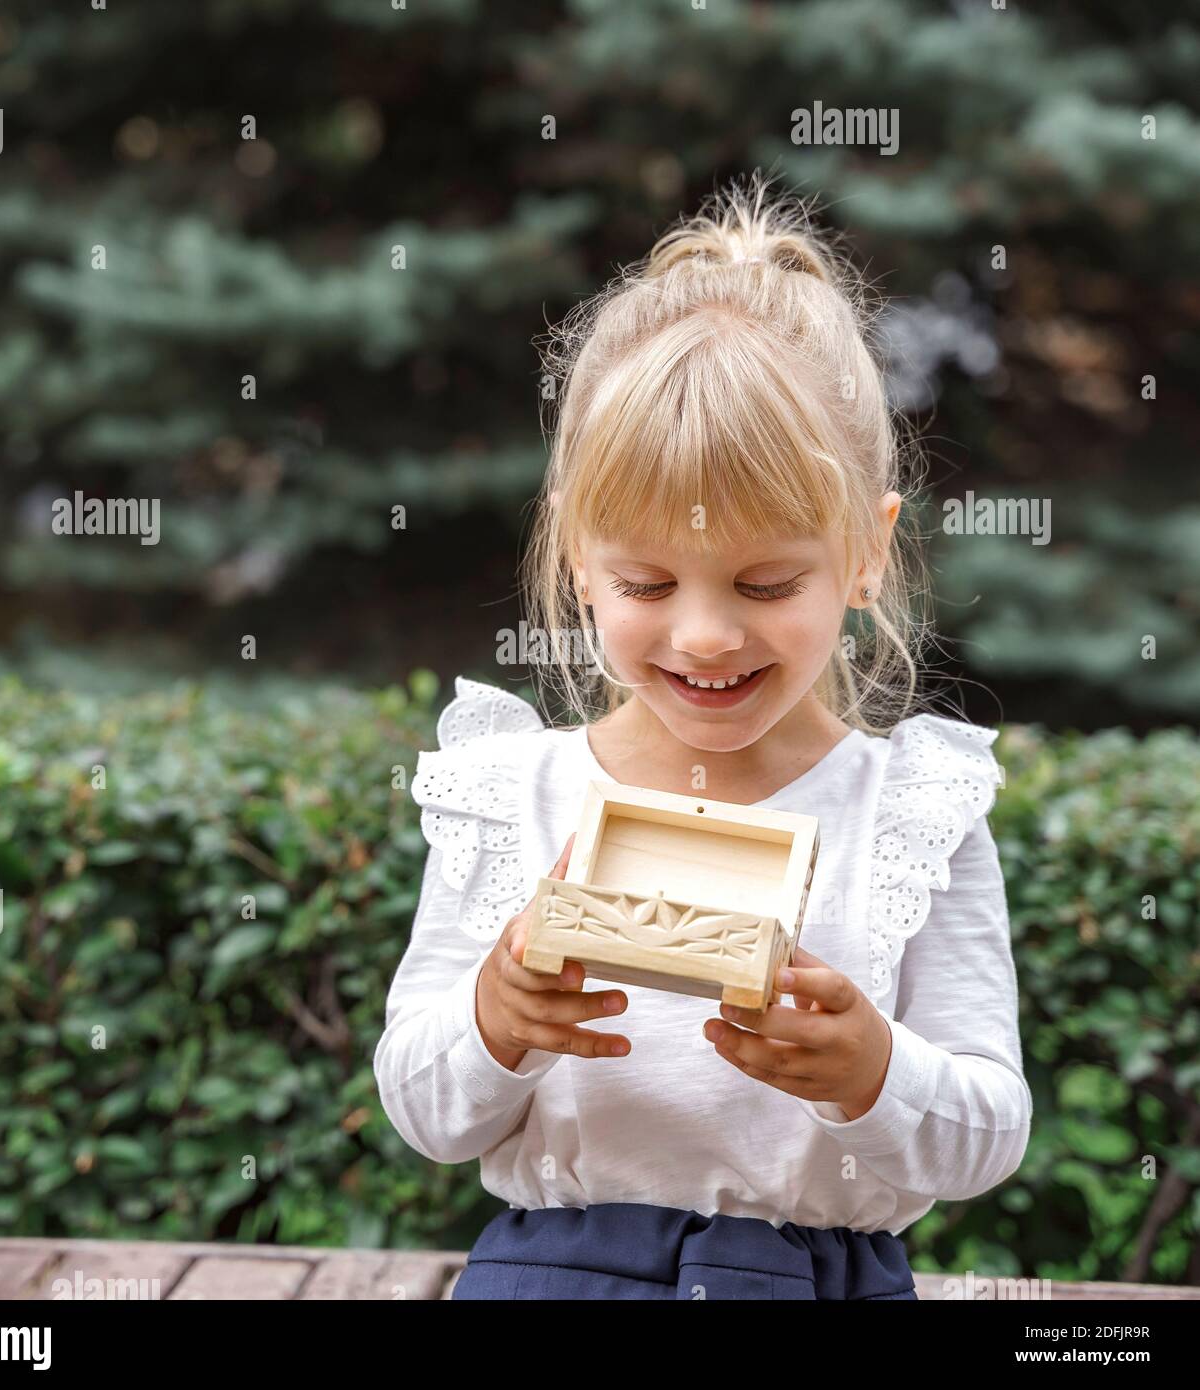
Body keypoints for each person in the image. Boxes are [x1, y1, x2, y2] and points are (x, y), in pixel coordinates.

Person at [372, 171, 1032, 1300]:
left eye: (767, 579)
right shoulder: (512, 794)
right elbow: (426, 1113)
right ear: (578, 556)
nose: (706, 632)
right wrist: (495, 1015)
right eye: (645, 579)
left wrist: (875, 1072)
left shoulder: (910, 815)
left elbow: (986, 1135)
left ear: (866, 554)